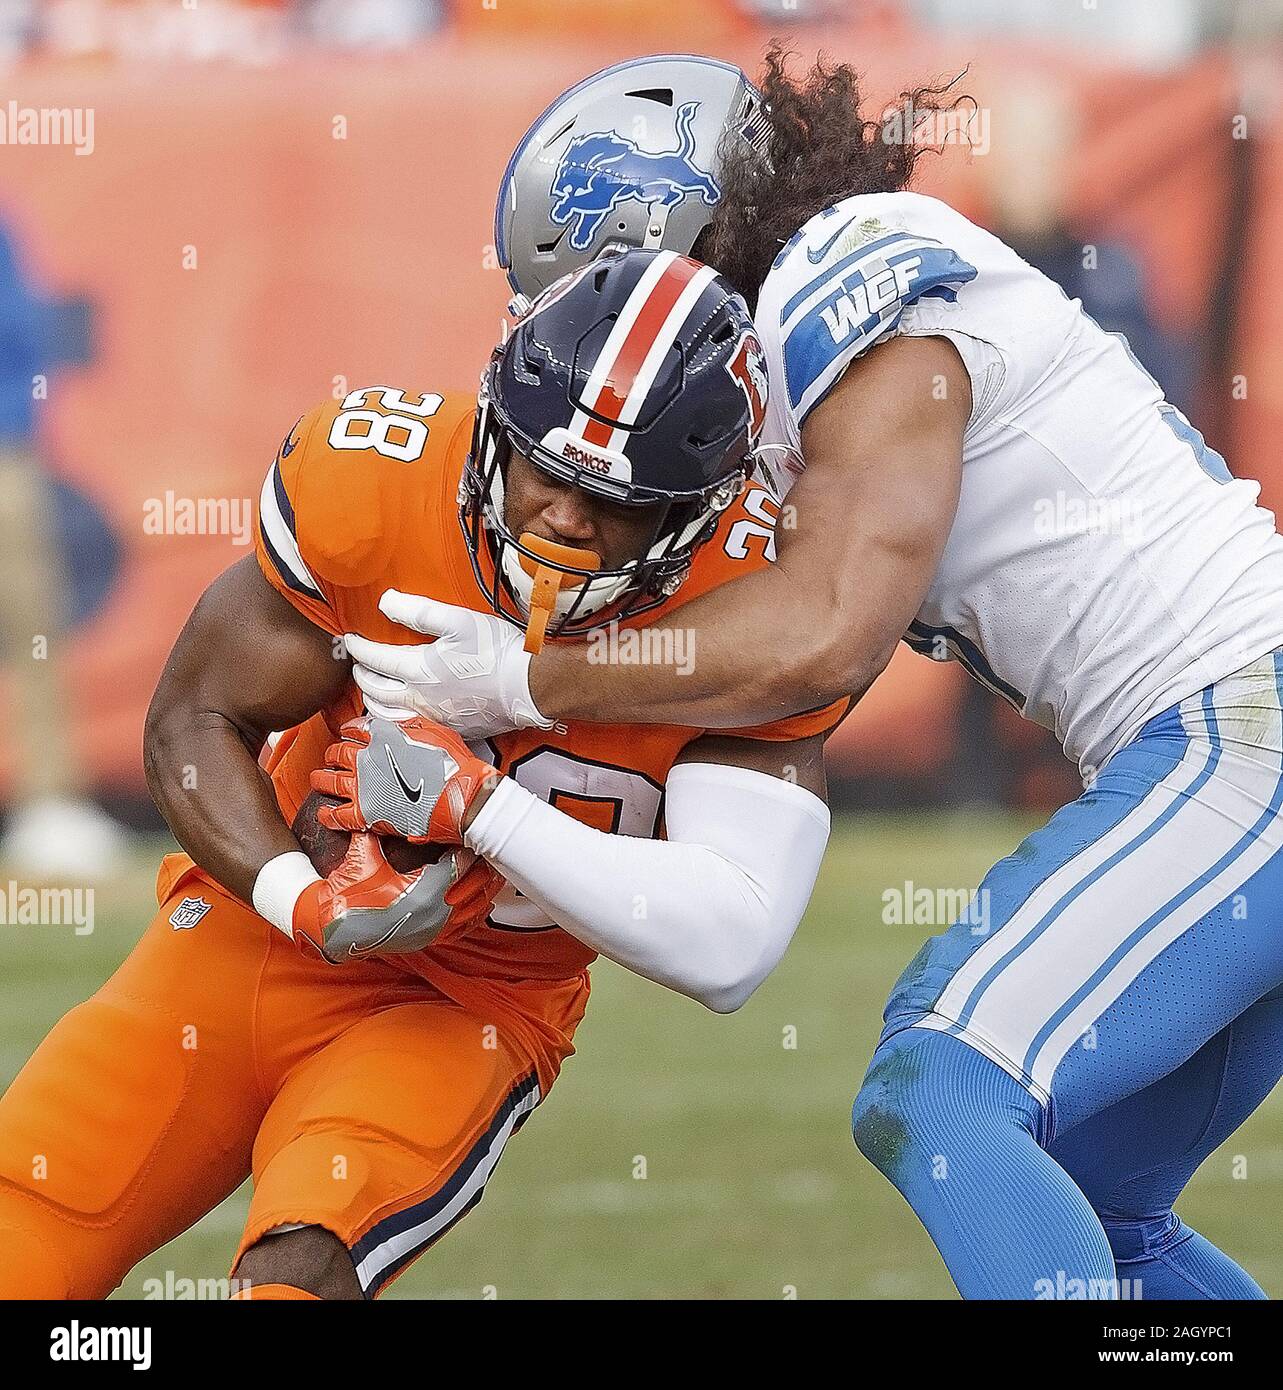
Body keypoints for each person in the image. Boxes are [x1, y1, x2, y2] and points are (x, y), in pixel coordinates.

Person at [346, 50, 1283, 1299]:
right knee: (1098, 1209)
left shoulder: (848, 269)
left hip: (1239, 731)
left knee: (942, 1091)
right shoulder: (792, 360)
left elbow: (825, 630)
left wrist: (527, 680)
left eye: (601, 295)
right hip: (1217, 741)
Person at [0, 247, 836, 1299]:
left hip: (468, 1001)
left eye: (615, 502)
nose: (565, 520)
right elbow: (193, 717)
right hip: (247, 941)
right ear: (496, 426)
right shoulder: (380, 484)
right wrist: (304, 899)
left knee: (297, 1269)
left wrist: (477, 806)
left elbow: (730, 944)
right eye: (547, 472)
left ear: (698, 509)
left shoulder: (756, 613)